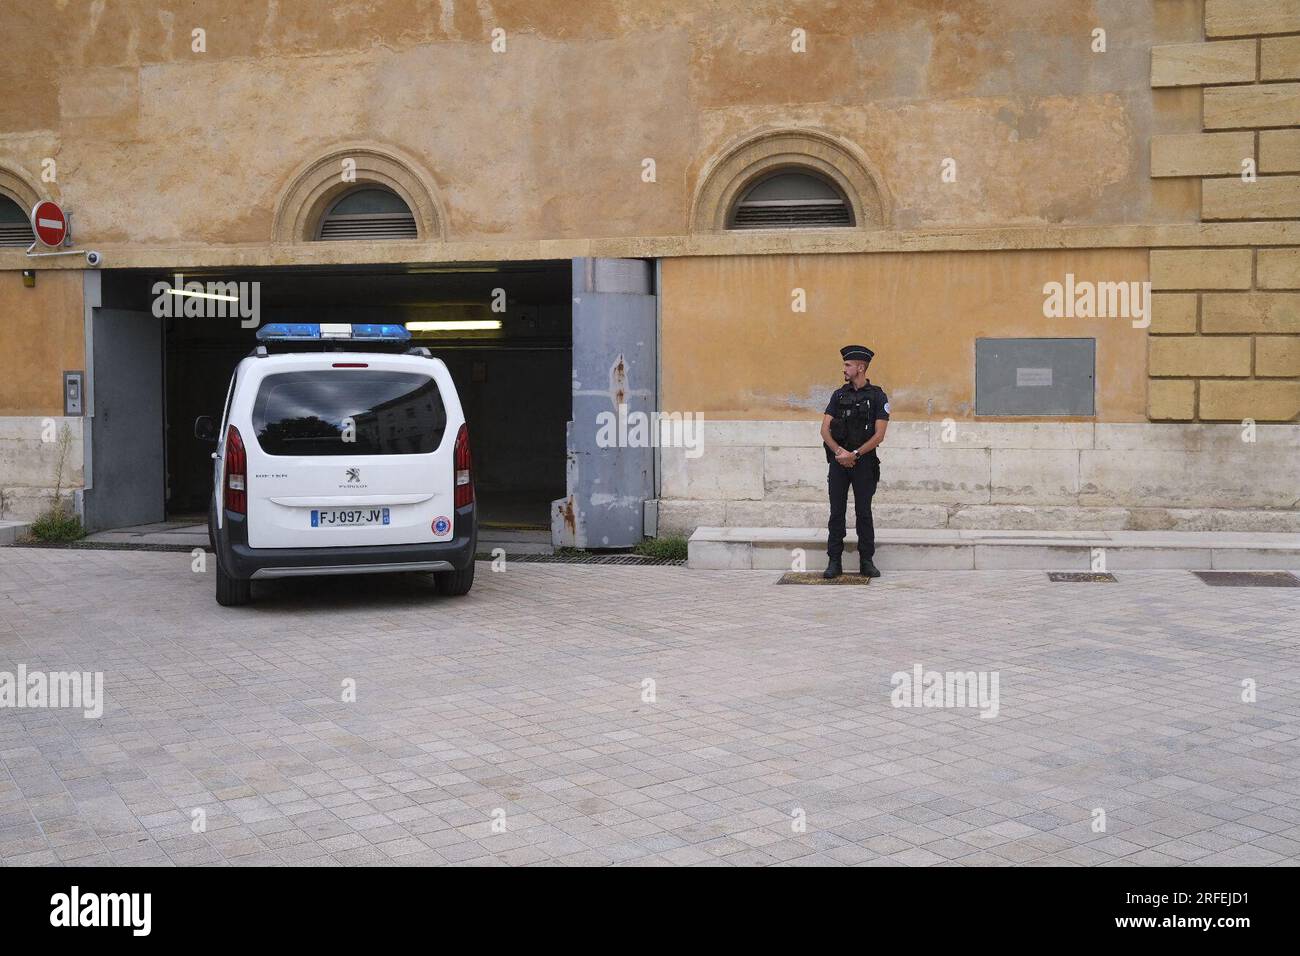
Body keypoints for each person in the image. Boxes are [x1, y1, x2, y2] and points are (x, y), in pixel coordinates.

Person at [819, 345, 889, 579]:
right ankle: (834, 561)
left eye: (848, 365)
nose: (844, 369)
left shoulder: (878, 396)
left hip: (864, 464)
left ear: (860, 367)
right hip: (839, 463)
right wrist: (841, 453)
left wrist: (855, 454)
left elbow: (879, 435)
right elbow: (824, 429)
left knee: (863, 512)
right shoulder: (838, 395)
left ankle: (866, 561)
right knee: (836, 512)